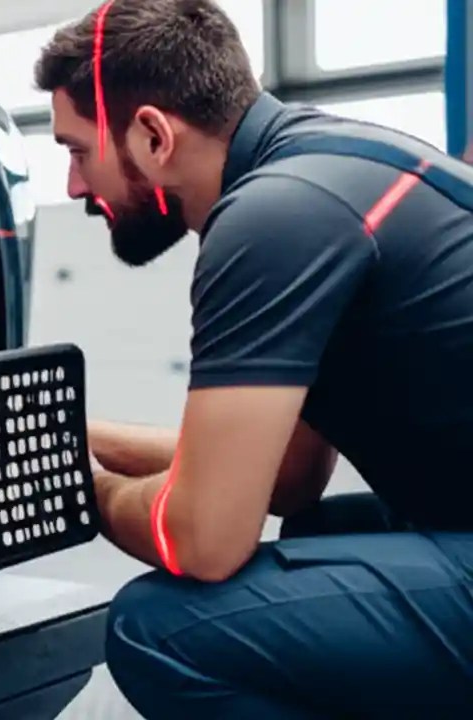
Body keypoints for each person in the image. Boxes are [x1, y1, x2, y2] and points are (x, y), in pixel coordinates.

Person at [33, 1, 473, 717]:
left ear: (151, 135)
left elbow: (203, 539)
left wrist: (81, 483)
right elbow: (289, 479)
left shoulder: (271, 219)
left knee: (158, 631)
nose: (76, 187)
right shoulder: (325, 170)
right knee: (320, 535)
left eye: (78, 151)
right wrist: (83, 437)